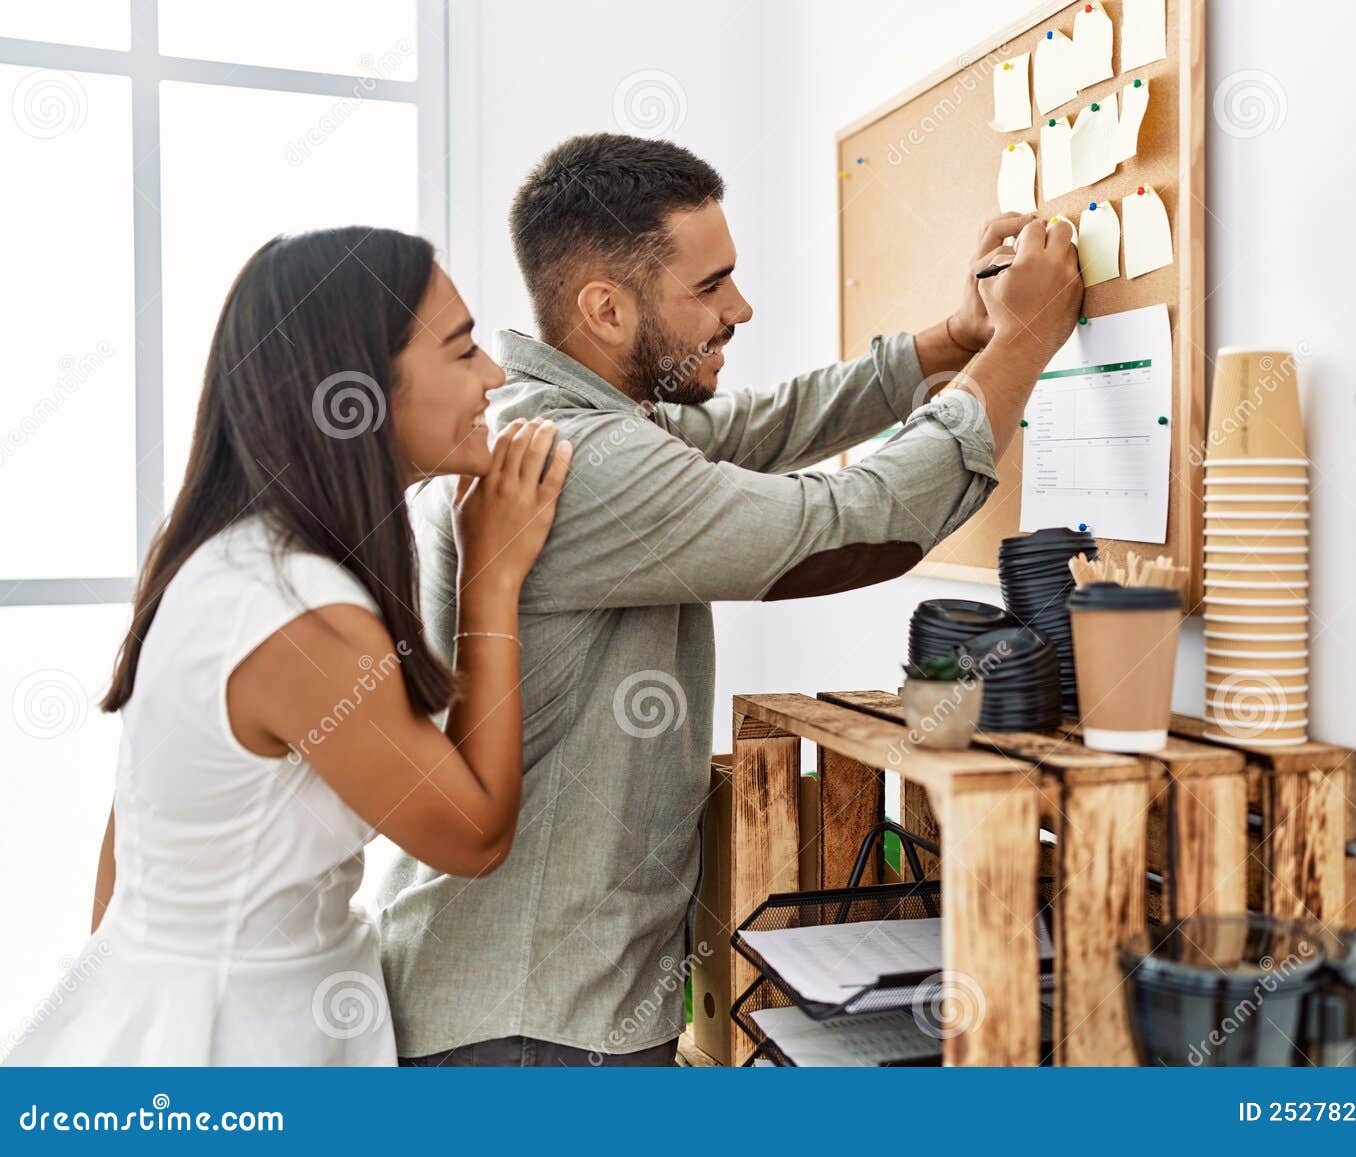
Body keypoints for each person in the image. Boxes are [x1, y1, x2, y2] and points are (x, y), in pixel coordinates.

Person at [378, 134, 1083, 1066]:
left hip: (520, 1002)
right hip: (530, 1025)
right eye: (709, 287)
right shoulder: (578, 458)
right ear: (607, 307)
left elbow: (758, 425)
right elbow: (845, 523)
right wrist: (1024, 343)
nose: (739, 308)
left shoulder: (570, 420)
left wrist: (955, 341)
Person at [1, 227, 570, 1066]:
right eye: (463, 350)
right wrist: (491, 579)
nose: (495, 375)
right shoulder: (295, 615)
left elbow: (129, 844)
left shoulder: (228, 556)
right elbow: (474, 833)